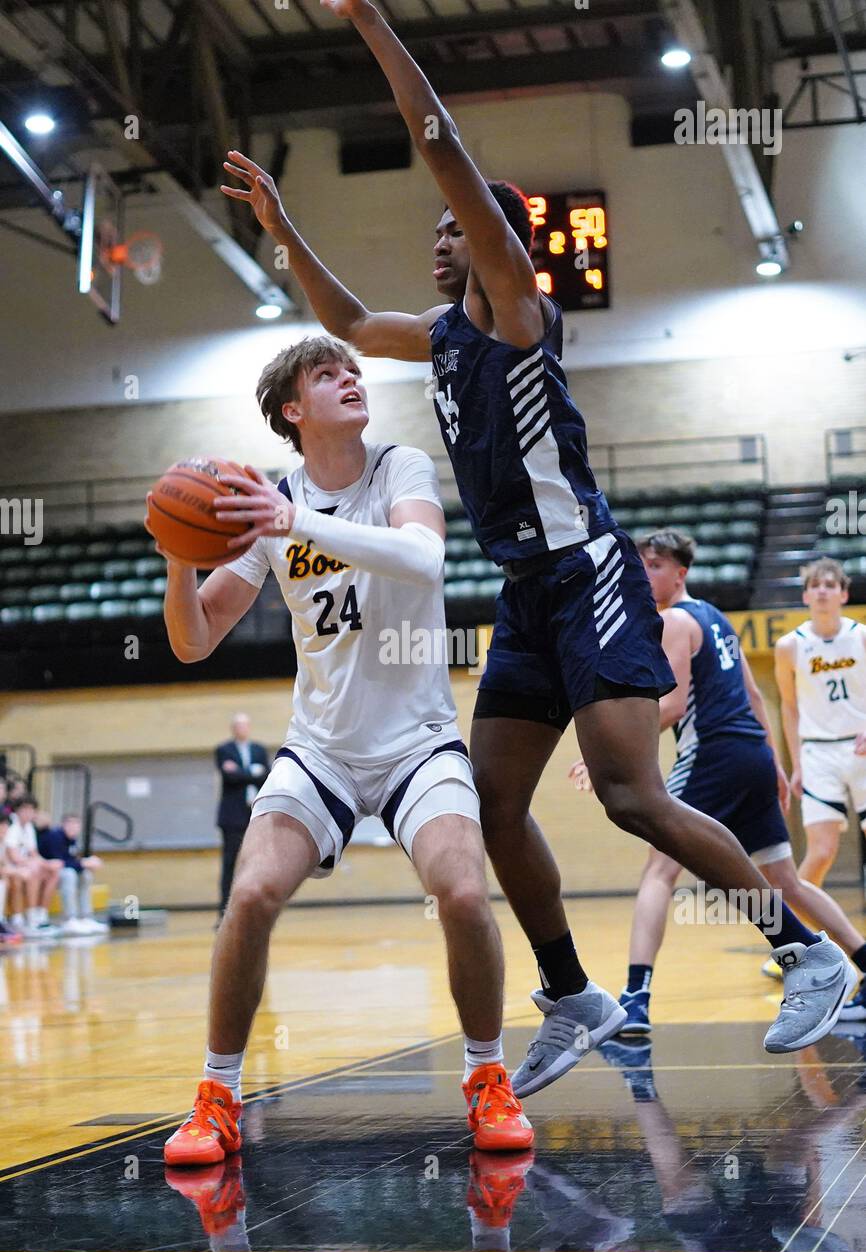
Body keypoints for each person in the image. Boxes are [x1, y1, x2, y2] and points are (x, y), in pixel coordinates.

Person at [220, 0, 853, 1089]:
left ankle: (805, 953)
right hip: (523, 591)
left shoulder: (514, 305)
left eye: (452, 228)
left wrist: (368, 20)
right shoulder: (440, 335)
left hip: (586, 570)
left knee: (629, 796)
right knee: (493, 804)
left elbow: (439, 144)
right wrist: (282, 226)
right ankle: (573, 993)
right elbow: (345, 319)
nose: (438, 240)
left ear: (492, 239)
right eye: (436, 231)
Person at [147, 334, 534, 1166]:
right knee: (250, 894)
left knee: (464, 893)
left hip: (416, 742)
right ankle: (217, 1097)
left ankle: (487, 1077)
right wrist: (179, 564)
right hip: (321, 747)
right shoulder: (268, 506)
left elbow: (424, 558)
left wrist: (297, 522)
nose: (351, 379)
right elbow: (193, 640)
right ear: (293, 409)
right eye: (328, 375)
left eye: (353, 370)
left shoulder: (398, 469)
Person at [569, 531, 865, 1034]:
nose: (644, 573)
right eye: (641, 564)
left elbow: (671, 706)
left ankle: (636, 997)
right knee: (785, 881)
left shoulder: (673, 621)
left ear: (680, 573)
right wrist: (772, 762)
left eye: (656, 565)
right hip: (751, 755)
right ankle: (861, 959)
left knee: (658, 872)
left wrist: (604, 754)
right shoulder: (718, 618)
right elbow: (754, 695)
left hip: (712, 754)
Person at [775, 559, 866, 889]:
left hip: (861, 746)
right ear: (805, 596)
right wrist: (797, 764)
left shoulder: (861, 636)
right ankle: (791, 921)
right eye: (815, 586)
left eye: (830, 585)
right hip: (818, 752)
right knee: (822, 852)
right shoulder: (789, 646)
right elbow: (789, 707)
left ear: (844, 594)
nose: (822, 591)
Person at [215, 715, 268, 918]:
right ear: (233, 728)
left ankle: (255, 909)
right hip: (233, 817)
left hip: (255, 814)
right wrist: (252, 773)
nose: (242, 728)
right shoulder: (224, 750)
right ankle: (224, 912)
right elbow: (229, 777)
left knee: (257, 862)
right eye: (238, 725)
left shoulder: (259, 750)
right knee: (230, 863)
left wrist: (241, 772)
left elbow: (266, 776)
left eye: (245, 725)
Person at [36, 813, 107, 937]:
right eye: (70, 824)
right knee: (69, 875)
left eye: (77, 824)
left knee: (85, 875)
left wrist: (85, 863)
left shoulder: (71, 840)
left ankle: (86, 917)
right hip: (46, 873)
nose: (73, 827)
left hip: (58, 871)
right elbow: (59, 862)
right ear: (63, 825)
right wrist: (83, 863)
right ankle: (69, 919)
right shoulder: (55, 837)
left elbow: (70, 860)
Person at [4, 796, 63, 939]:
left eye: (31, 809)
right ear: (17, 810)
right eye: (24, 809)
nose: (28, 812)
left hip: (25, 865)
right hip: (11, 865)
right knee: (33, 871)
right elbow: (14, 857)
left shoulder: (29, 827)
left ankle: (41, 915)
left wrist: (48, 864)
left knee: (53, 873)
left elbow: (34, 853)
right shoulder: (12, 825)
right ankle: (27, 918)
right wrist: (34, 863)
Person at [0, 811, 23, 944]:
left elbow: (4, 864)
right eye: (2, 825)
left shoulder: (3, 843)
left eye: (6, 825)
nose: (5, 828)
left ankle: (2, 921)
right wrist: (16, 872)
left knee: (4, 880)